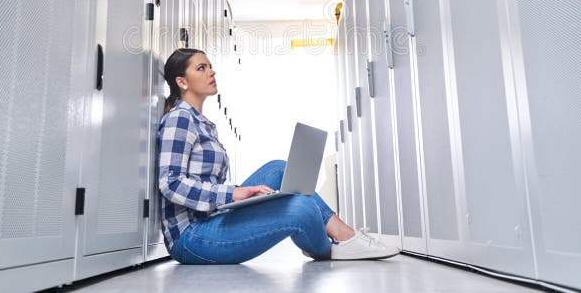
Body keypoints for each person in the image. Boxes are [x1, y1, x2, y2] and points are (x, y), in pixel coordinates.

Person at [157, 48, 400, 264]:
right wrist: (233, 193)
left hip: (212, 217)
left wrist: (239, 194)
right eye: (201, 68)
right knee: (301, 208)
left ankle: (345, 237)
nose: (212, 72)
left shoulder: (202, 123)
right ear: (182, 82)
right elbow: (170, 183)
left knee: (278, 168)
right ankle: (331, 248)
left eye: (210, 66)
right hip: (191, 237)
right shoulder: (180, 118)